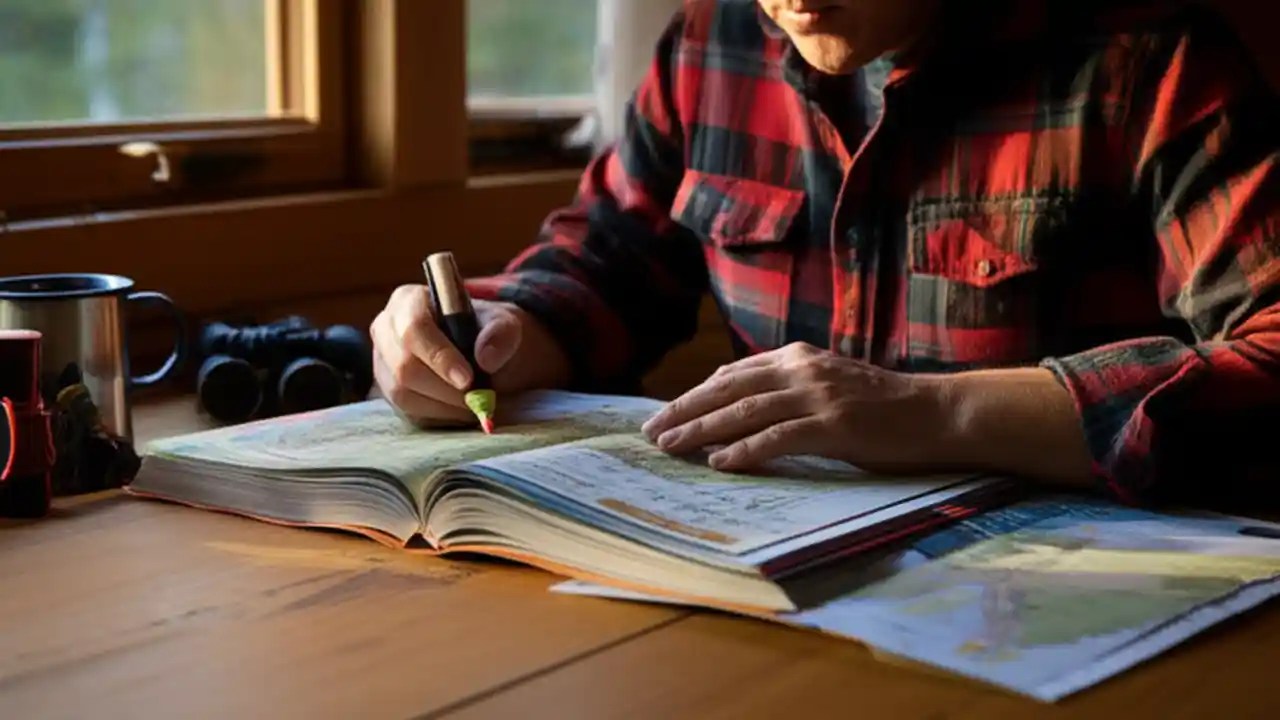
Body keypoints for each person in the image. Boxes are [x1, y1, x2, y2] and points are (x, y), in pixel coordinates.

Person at [370, 0, 1279, 507]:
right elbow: (608, 259)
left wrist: (937, 414)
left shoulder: (1149, 59)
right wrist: (499, 328)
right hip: (770, 587)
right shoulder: (712, 45)